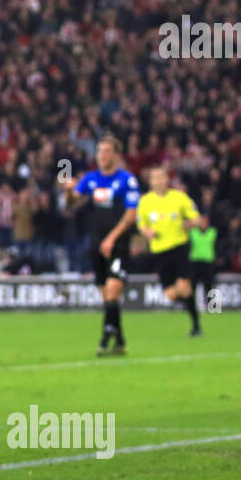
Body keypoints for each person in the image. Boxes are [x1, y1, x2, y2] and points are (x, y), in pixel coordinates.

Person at [61, 137, 139, 355]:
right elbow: (71, 203)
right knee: (107, 295)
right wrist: (69, 190)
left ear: (116, 154)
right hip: (96, 243)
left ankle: (104, 340)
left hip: (119, 243)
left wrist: (112, 238)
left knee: (113, 290)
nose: (102, 155)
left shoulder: (127, 180)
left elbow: (131, 215)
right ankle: (120, 341)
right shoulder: (91, 178)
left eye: (106, 151)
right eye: (99, 152)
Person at [136, 167, 203, 336]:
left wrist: (189, 223)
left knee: (184, 287)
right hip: (159, 251)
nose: (159, 180)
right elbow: (141, 223)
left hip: (179, 247)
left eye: (162, 177)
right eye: (155, 178)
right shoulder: (145, 201)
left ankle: (196, 325)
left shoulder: (179, 198)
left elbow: (197, 218)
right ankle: (189, 303)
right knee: (171, 294)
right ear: (150, 182)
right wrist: (147, 232)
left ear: (167, 179)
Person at [188, 214, 218, 310]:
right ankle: (190, 307)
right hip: (195, 262)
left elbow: (218, 246)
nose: (204, 224)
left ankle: (213, 308)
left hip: (208, 262)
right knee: (192, 286)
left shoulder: (213, 232)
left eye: (205, 222)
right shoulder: (192, 232)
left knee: (210, 285)